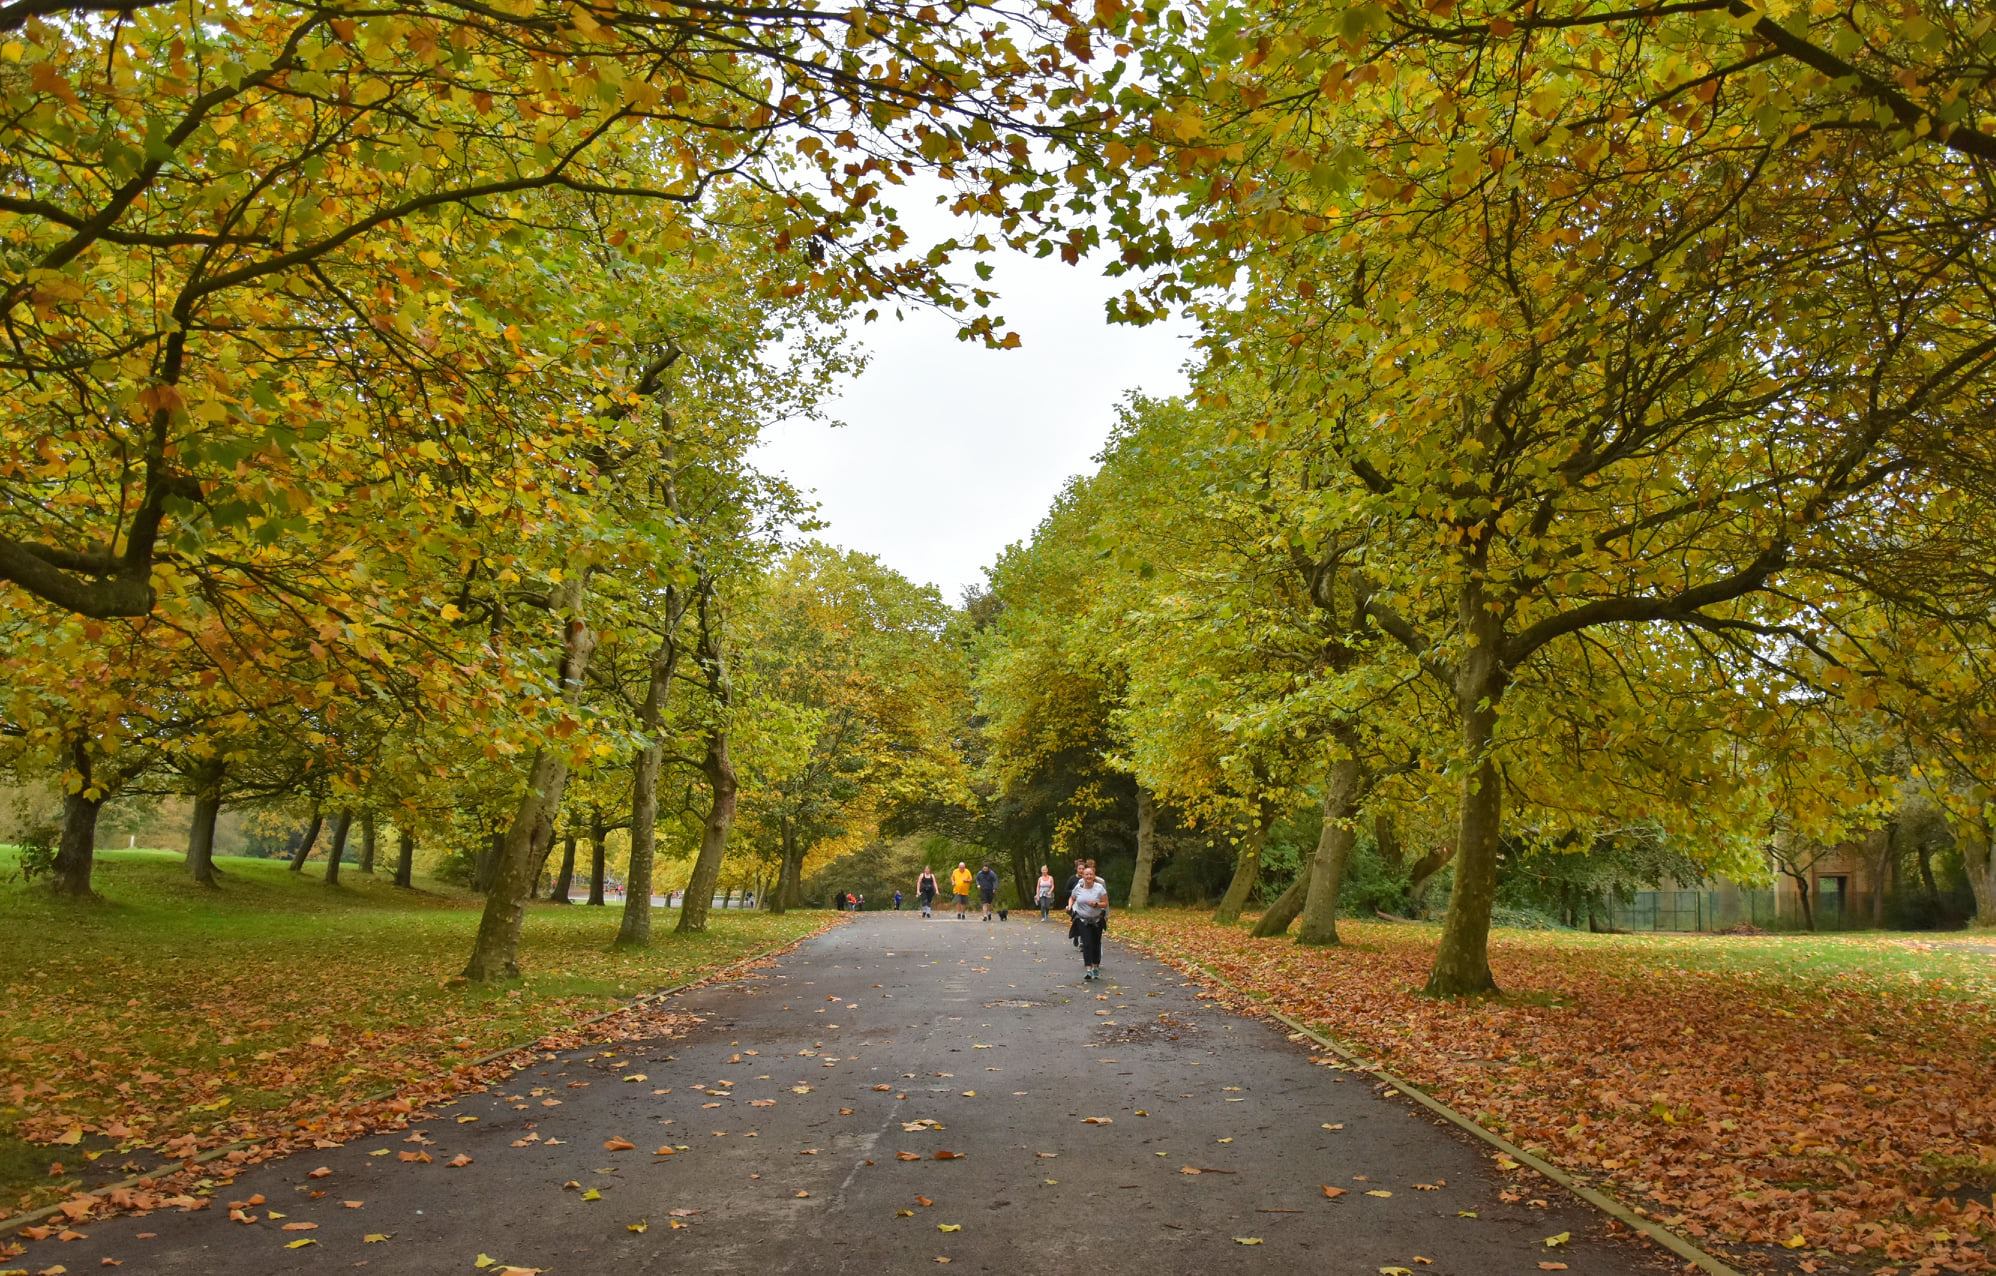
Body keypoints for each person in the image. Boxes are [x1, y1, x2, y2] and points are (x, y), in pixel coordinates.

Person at [1070, 863, 1110, 980]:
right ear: (1083, 876)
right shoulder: (1078, 888)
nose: (1088, 876)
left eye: (1090, 874)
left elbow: (1105, 903)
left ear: (1094, 876)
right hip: (1082, 920)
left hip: (1097, 920)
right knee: (1086, 944)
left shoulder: (1099, 888)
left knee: (1096, 944)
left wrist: (1097, 904)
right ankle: (1088, 969)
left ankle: (1096, 966)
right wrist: (1069, 906)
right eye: (1086, 874)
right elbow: (1072, 898)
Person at [1062, 858, 1085, 947]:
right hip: (1073, 903)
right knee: (1077, 920)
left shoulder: (1087, 879)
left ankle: (1081, 940)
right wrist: (1075, 892)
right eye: (1080, 869)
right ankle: (1076, 936)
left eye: (1083, 869)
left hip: (1084, 904)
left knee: (1082, 921)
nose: (1081, 871)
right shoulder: (1072, 879)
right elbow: (1066, 891)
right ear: (1077, 869)